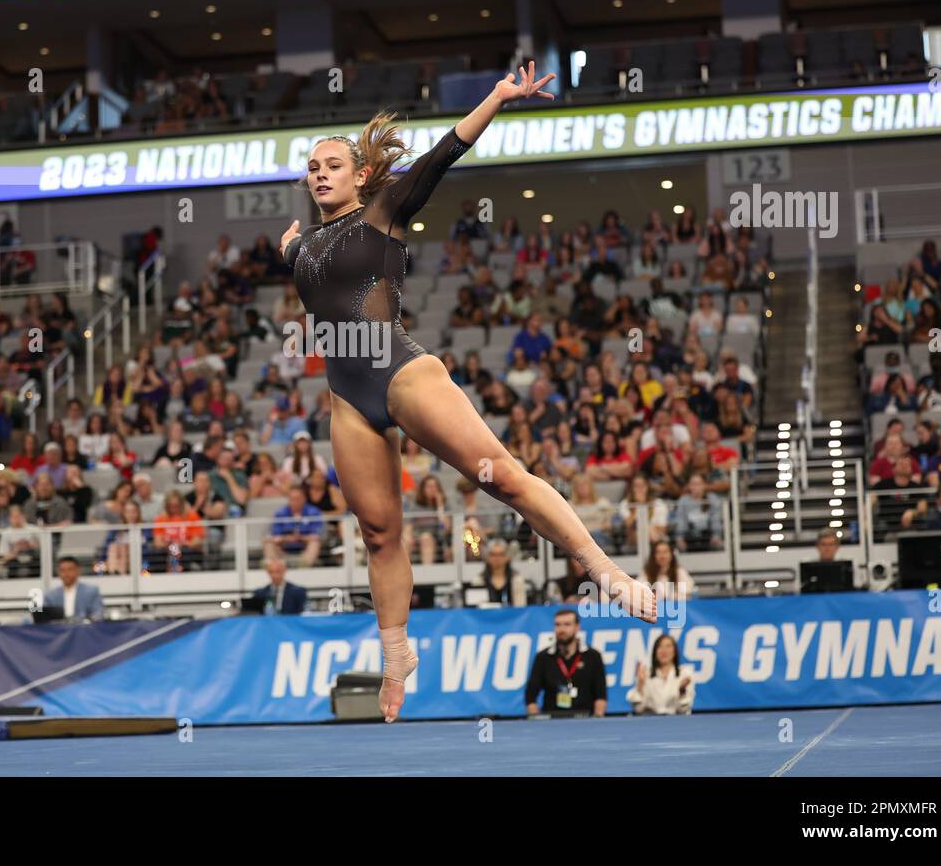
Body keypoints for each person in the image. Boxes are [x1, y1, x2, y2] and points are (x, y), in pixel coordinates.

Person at [278, 65, 659, 722]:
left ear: (362, 175)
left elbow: (443, 154)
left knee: (503, 479)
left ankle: (602, 570)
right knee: (377, 532)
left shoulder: (383, 212)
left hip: (401, 373)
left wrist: (497, 98)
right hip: (346, 397)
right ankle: (396, 650)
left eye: (332, 164)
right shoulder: (299, 242)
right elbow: (311, 278)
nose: (319, 173)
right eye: (312, 166)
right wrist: (289, 252)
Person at [524, 608, 608, 718]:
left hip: (585, 719)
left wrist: (597, 719)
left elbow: (600, 694)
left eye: (567, 624)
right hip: (551, 720)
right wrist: (536, 719)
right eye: (558, 625)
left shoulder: (592, 656)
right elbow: (530, 695)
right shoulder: (543, 657)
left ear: (577, 627)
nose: (561, 629)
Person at [626, 634, 695, 716]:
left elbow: (684, 709)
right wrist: (640, 683)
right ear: (655, 652)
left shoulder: (684, 674)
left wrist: (682, 690)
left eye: (668, 646)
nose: (664, 651)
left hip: (676, 722)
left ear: (675, 651)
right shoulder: (646, 673)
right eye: (660, 647)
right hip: (650, 722)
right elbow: (638, 708)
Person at [264, 485, 324, 567]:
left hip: (305, 548)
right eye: (292, 499)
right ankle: (275, 567)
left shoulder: (314, 512)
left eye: (298, 499)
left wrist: (300, 538)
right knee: (268, 542)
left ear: (304, 498)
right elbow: (276, 535)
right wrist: (287, 538)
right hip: (284, 549)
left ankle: (303, 567)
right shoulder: (280, 513)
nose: (295, 502)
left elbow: (317, 535)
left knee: (315, 542)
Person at [42, 556, 105, 621]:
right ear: (58, 573)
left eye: (70, 569)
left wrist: (87, 622)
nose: (66, 574)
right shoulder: (50, 595)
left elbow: (98, 613)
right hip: (58, 629)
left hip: (84, 629)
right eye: (62, 570)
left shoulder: (91, 592)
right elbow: (44, 617)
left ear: (78, 570)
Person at [470, 538, 528, 606]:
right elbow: (476, 608)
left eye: (501, 554)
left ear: (507, 557)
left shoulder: (517, 580)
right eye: (493, 555)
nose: (497, 558)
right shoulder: (479, 580)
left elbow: (521, 607)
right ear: (487, 557)